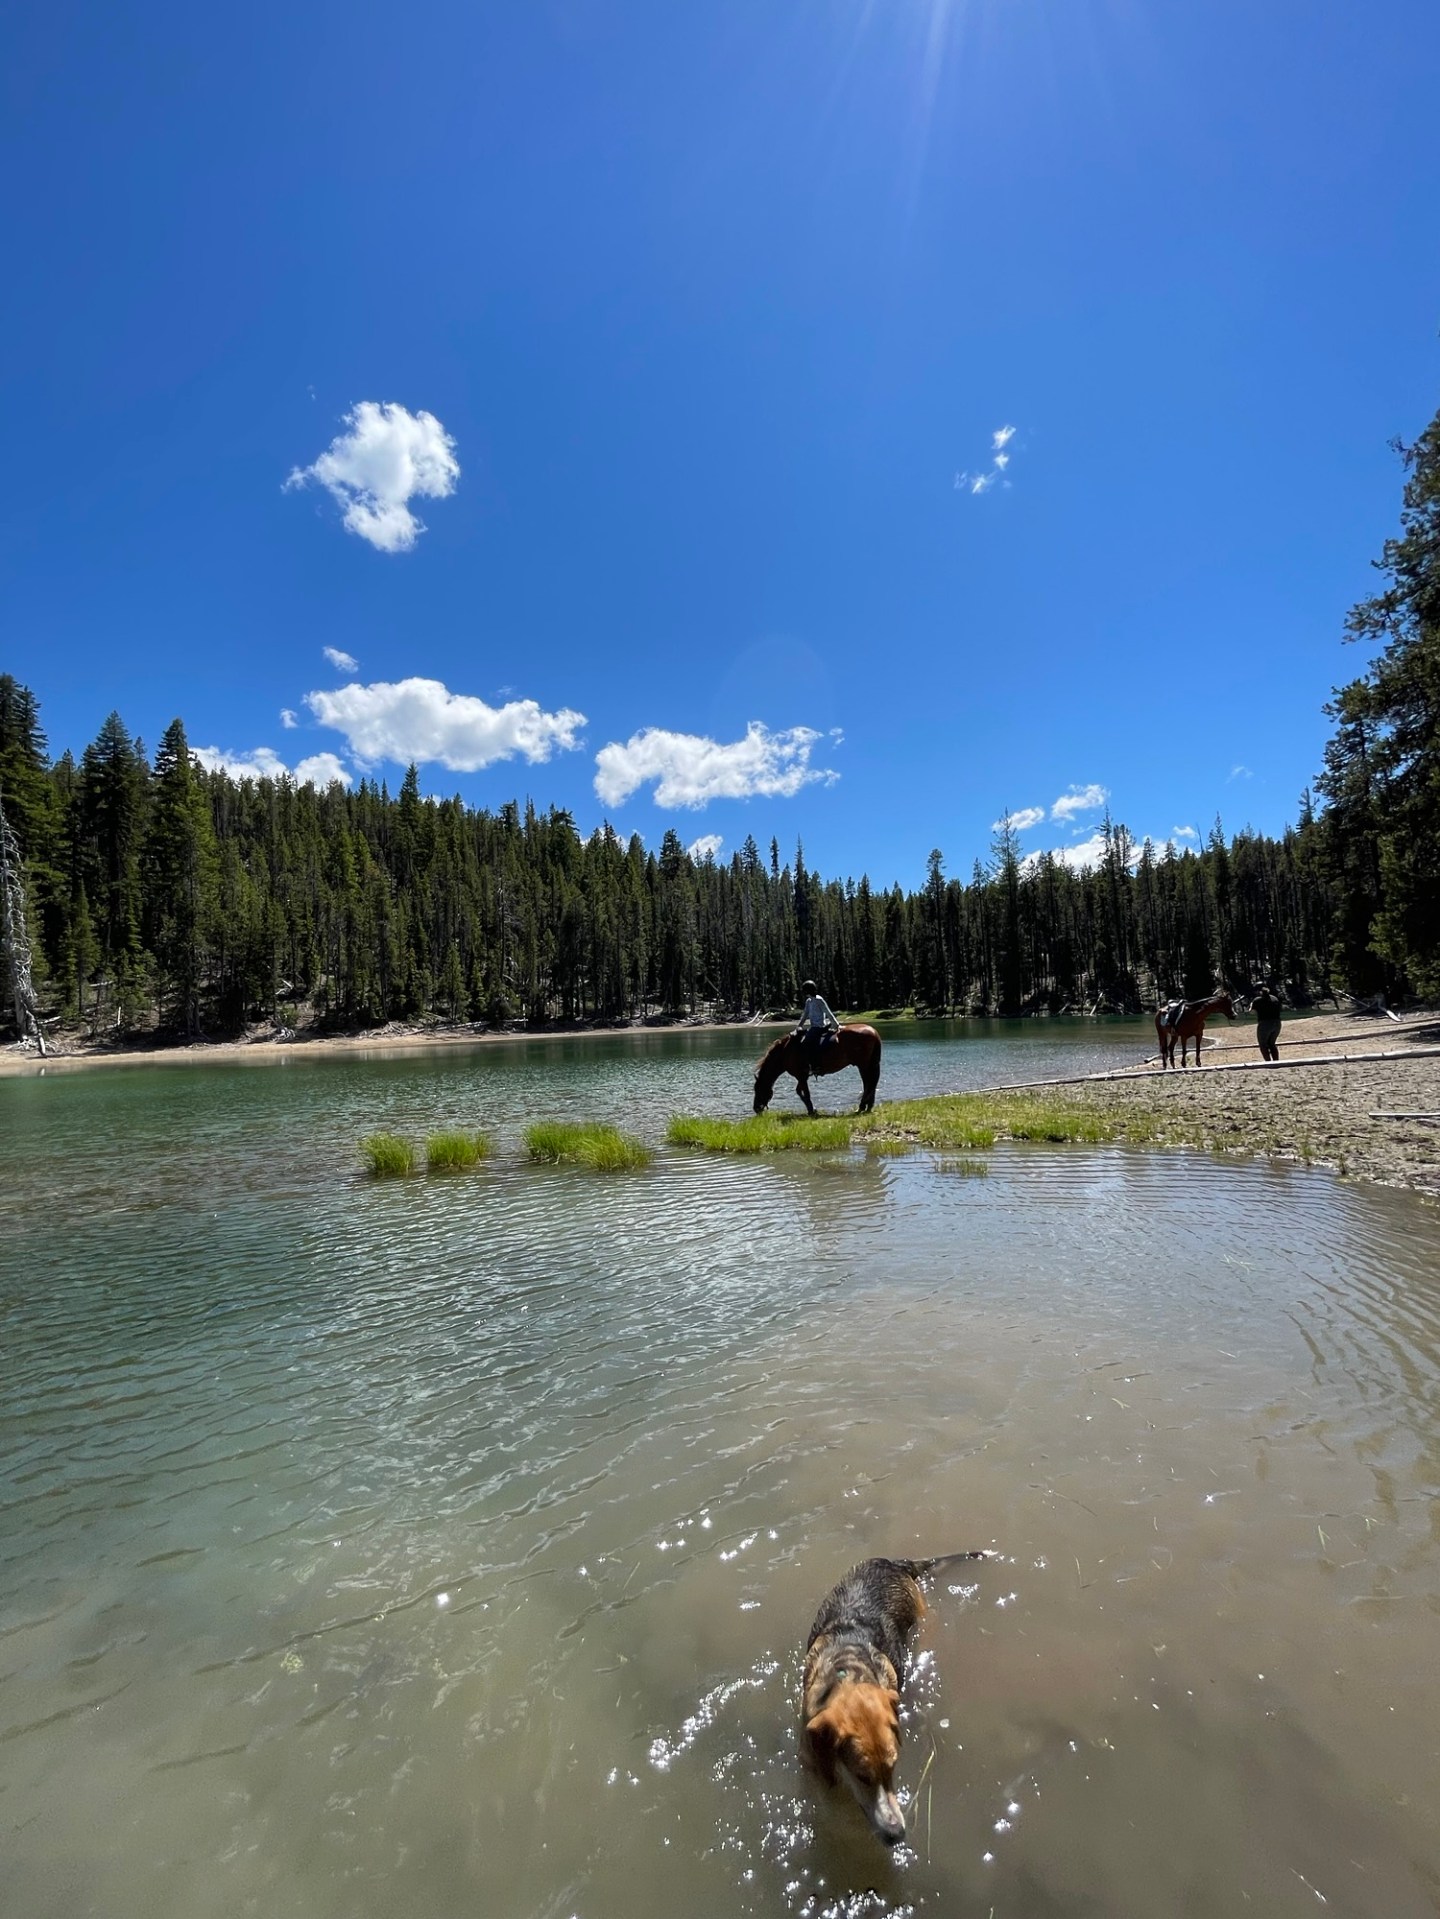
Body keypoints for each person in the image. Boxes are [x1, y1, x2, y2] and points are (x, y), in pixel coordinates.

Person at [796, 979, 840, 1064]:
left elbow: (828, 1013)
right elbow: (805, 1015)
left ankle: (814, 1063)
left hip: (820, 1027)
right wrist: (799, 1026)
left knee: (806, 1042)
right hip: (813, 1027)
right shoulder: (808, 1001)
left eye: (805, 991)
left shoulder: (819, 1000)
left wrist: (836, 1024)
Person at [1252, 980, 1283, 1062]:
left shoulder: (1257, 1000)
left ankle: (1268, 1062)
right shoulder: (1274, 998)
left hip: (1265, 1024)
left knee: (1263, 1045)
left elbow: (1252, 1012)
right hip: (1277, 1023)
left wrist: (1251, 1005)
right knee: (1272, 1044)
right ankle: (1276, 1061)